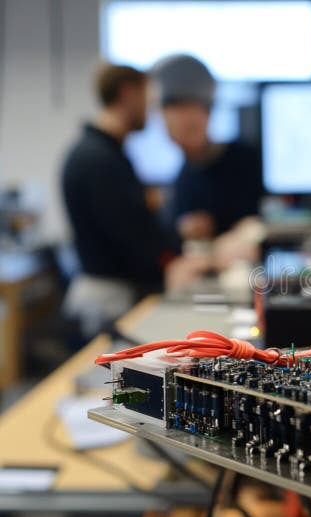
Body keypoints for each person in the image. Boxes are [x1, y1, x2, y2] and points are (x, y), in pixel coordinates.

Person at [61, 63, 205, 337]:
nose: (151, 110)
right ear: (128, 94)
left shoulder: (108, 153)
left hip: (114, 293)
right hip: (108, 301)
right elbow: (133, 238)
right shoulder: (98, 160)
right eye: (147, 99)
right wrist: (174, 256)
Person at [150, 54, 265, 242]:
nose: (180, 130)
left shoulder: (247, 161)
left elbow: (269, 217)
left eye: (190, 125)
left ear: (206, 114)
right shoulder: (185, 176)